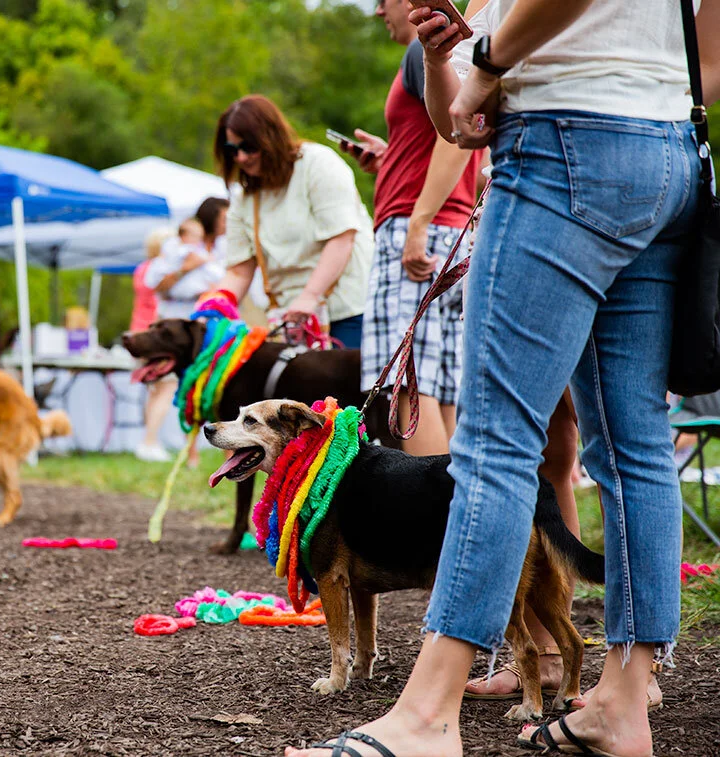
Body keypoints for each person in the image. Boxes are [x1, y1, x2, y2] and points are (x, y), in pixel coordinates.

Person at [286, 0, 715, 755]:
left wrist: (488, 65)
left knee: (493, 443)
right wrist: (453, 61)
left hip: (562, 148)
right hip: (669, 151)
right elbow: (707, 64)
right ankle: (623, 703)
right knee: (633, 446)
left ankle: (426, 717)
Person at [346, 0, 482, 457]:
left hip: (420, 230)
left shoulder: (424, 54)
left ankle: (433, 525)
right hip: (447, 227)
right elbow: (443, 137)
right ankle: (451, 520)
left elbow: (460, 134)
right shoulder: (431, 60)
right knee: (440, 392)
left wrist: (418, 221)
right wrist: (391, 161)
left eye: (384, 0)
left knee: (408, 386)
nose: (379, 10)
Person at [211, 95, 374, 349]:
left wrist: (310, 296)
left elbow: (342, 237)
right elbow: (238, 270)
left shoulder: (318, 163)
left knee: (342, 391)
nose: (241, 157)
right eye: (232, 150)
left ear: (270, 139)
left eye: (248, 147)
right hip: (290, 322)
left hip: (347, 313)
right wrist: (213, 307)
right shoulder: (243, 198)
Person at [131, 227, 178, 463]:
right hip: (156, 335)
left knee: (154, 389)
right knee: (167, 387)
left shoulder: (141, 269)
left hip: (138, 332)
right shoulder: (162, 270)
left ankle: (150, 441)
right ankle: (149, 441)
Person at [145, 218, 226, 320]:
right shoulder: (174, 254)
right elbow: (156, 284)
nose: (197, 240)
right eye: (194, 236)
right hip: (172, 316)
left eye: (200, 237)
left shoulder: (203, 253)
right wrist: (185, 269)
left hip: (197, 314)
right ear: (183, 236)